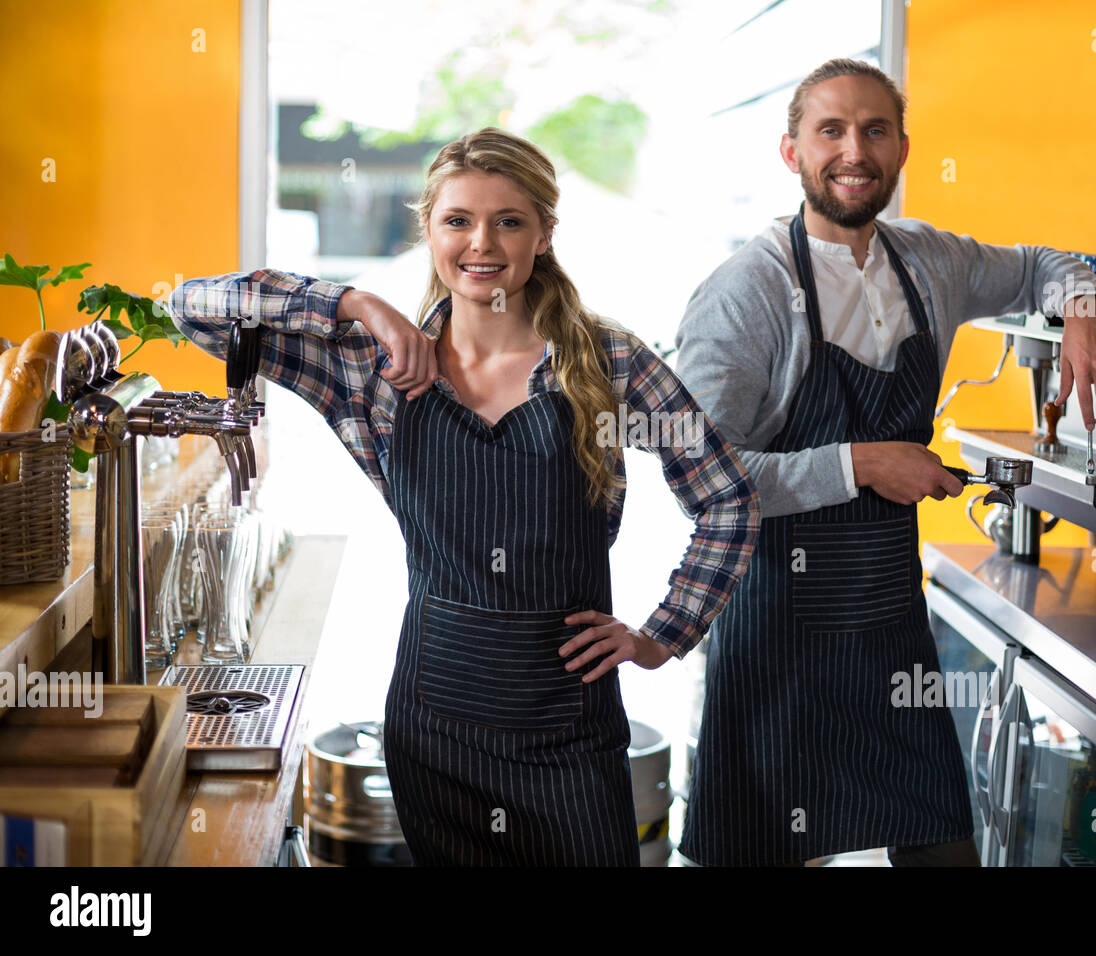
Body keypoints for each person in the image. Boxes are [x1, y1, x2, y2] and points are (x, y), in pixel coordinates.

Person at [169, 128, 760, 866]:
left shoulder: (607, 364)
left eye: (509, 220)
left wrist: (660, 636)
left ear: (544, 234)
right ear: (429, 229)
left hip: (570, 731)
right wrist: (358, 304)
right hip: (435, 734)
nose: (482, 243)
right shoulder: (373, 368)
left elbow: (728, 497)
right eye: (458, 220)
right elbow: (191, 305)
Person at [674, 59, 1096, 867]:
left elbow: (1043, 264)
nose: (856, 151)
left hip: (887, 625)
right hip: (778, 631)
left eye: (875, 130)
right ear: (791, 153)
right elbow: (702, 482)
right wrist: (861, 465)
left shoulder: (930, 262)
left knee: (943, 850)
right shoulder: (745, 291)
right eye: (832, 131)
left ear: (904, 149)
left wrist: (1087, 311)